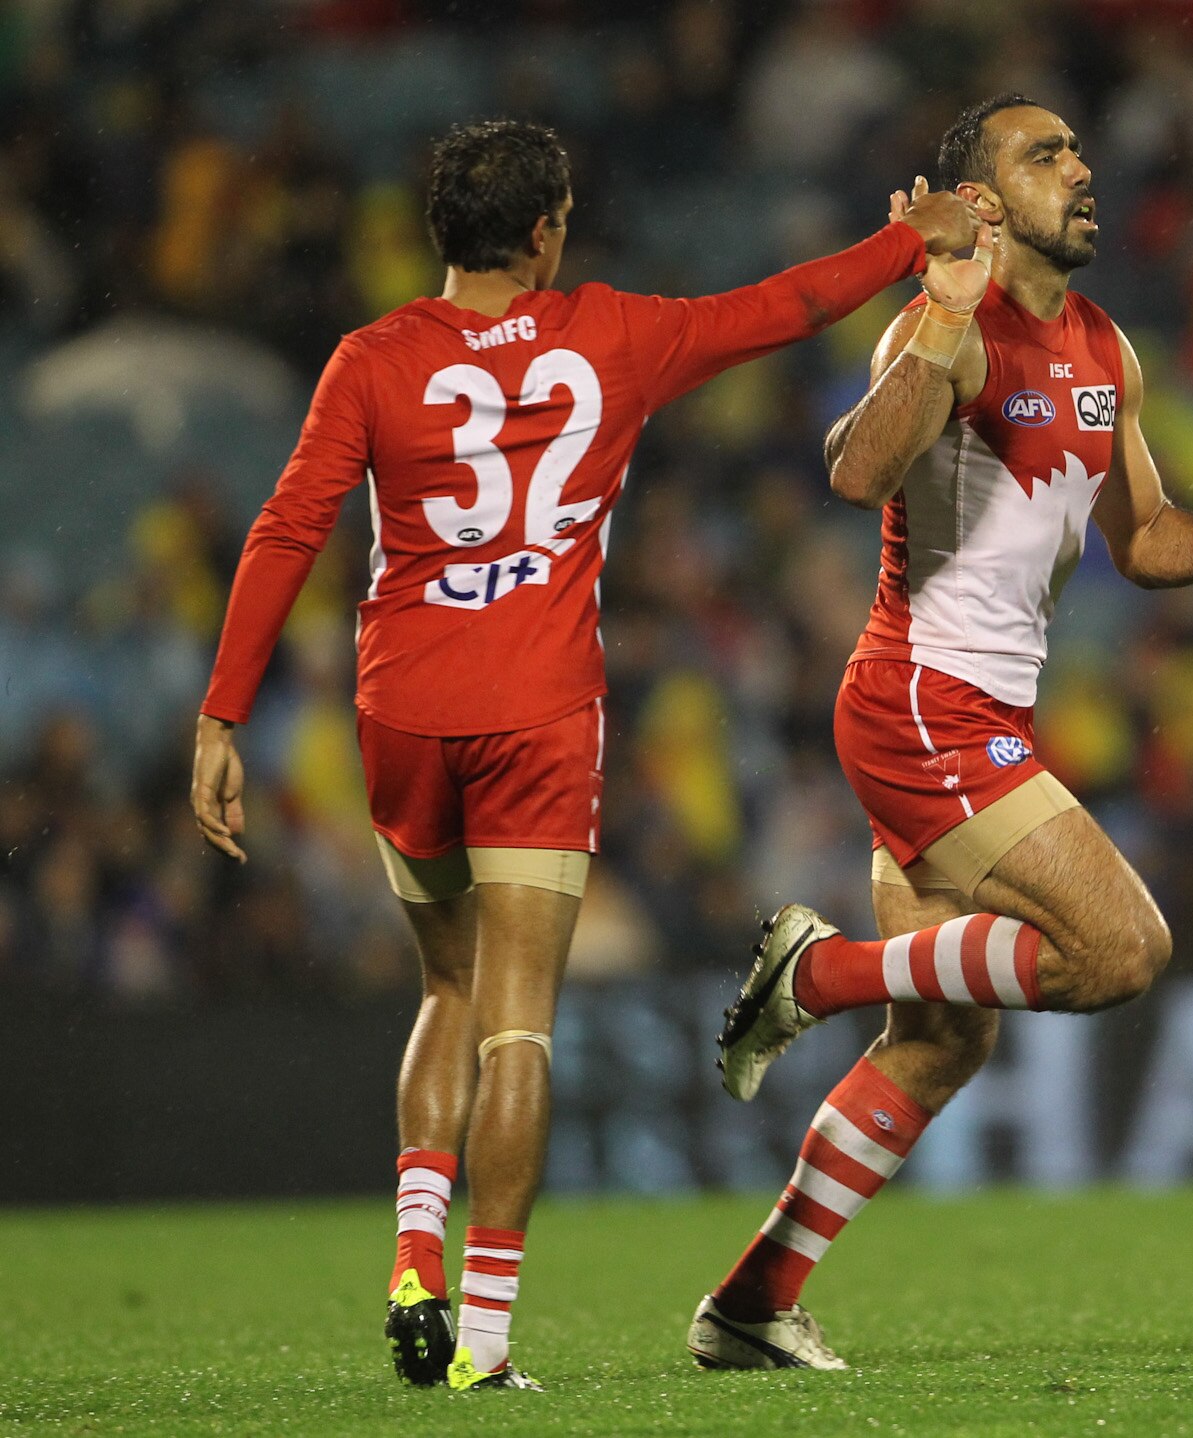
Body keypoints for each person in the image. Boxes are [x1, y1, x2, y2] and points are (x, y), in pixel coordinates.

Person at [188, 118, 977, 1393]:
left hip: (402, 709)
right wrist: (909, 240)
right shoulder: (609, 333)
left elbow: (287, 528)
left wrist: (223, 716)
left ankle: (410, 1256)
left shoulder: (371, 359)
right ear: (546, 228)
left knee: (445, 989)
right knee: (519, 1033)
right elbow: (783, 308)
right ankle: (486, 1345)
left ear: (436, 233)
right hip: (538, 712)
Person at [688, 94, 1193, 1371]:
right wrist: (949, 302)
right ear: (977, 198)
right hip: (921, 700)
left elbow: (1146, 543)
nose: (1080, 169)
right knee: (1120, 947)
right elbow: (854, 475)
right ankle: (812, 976)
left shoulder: (1106, 350)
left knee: (941, 1042)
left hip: (968, 711)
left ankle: (751, 1302)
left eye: (1078, 147)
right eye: (1043, 155)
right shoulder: (941, 329)